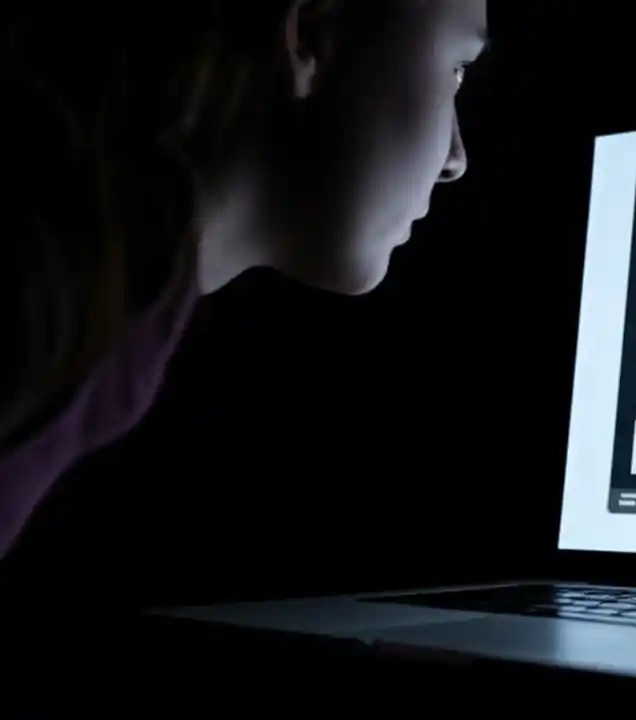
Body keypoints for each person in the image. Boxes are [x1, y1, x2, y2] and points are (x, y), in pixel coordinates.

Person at [0, 0, 489, 559]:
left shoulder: (117, 275)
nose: (457, 158)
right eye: (457, 68)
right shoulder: (69, 278)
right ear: (310, 39)